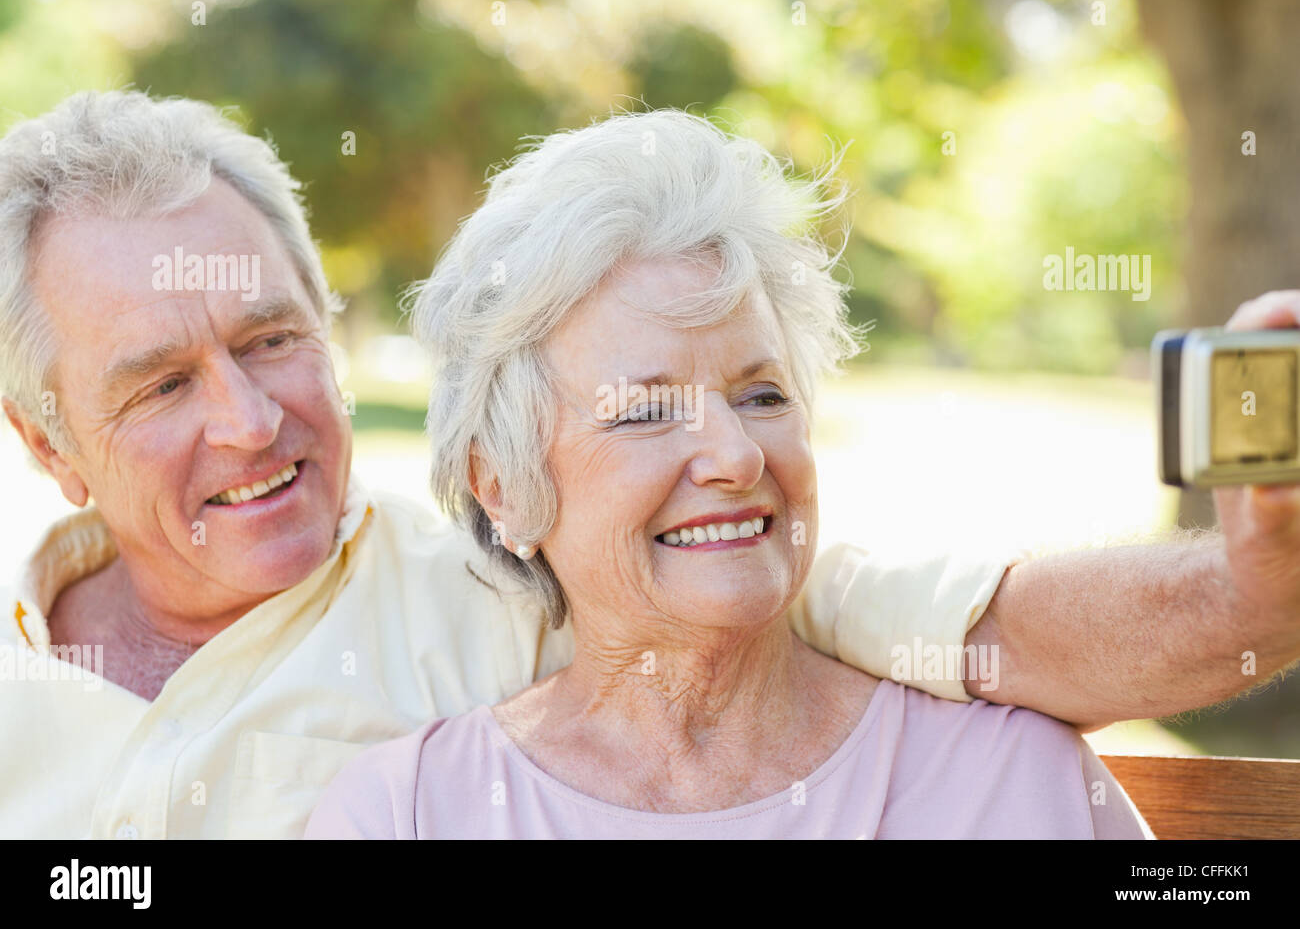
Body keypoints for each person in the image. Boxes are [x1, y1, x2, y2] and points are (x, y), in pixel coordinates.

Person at [3, 92, 1297, 839]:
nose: (248, 420)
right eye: (163, 385)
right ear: (50, 448)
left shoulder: (507, 591)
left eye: (273, 340)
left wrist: (1249, 599)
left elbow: (864, 611)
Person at [301, 113, 1187, 836]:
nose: (736, 457)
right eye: (645, 411)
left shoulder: (1010, 780)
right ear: (502, 488)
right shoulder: (405, 816)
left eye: (761, 396)